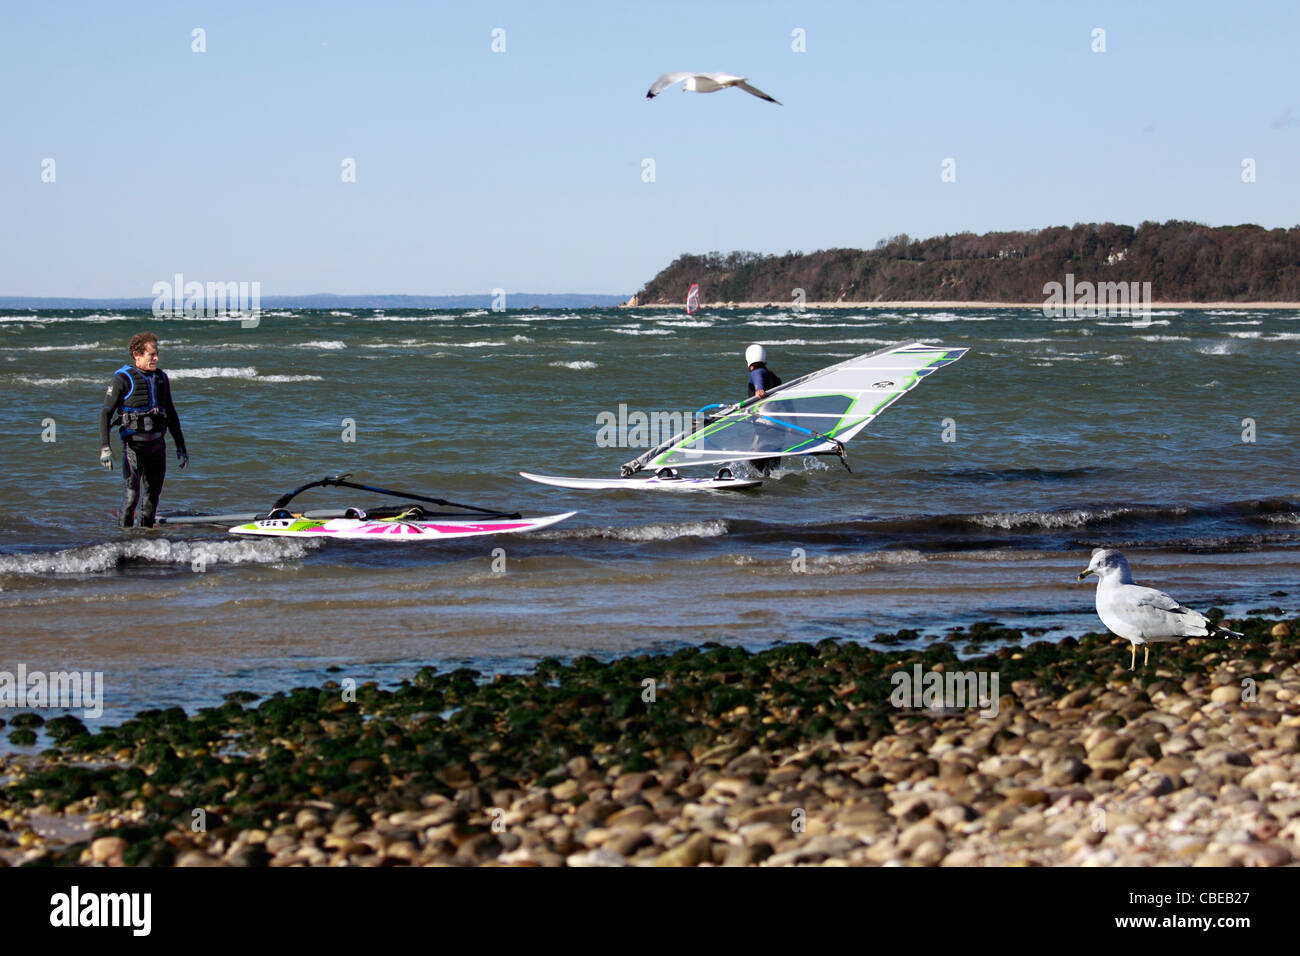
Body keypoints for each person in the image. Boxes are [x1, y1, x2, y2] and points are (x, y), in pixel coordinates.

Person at [99, 332, 188, 527]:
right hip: (134, 448)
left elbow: (171, 414)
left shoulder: (161, 378)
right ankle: (125, 540)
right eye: (152, 354)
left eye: (157, 354)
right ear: (136, 355)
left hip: (157, 447)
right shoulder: (122, 379)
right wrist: (105, 448)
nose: (156, 358)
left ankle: (146, 541)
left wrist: (180, 446)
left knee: (152, 498)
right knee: (131, 496)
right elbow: (105, 413)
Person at [744, 344, 783, 476]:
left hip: (764, 429)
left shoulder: (756, 372)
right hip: (780, 430)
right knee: (772, 472)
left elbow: (757, 379)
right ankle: (774, 494)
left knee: (753, 470)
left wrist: (759, 389)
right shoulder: (775, 378)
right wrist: (792, 424)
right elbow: (787, 403)